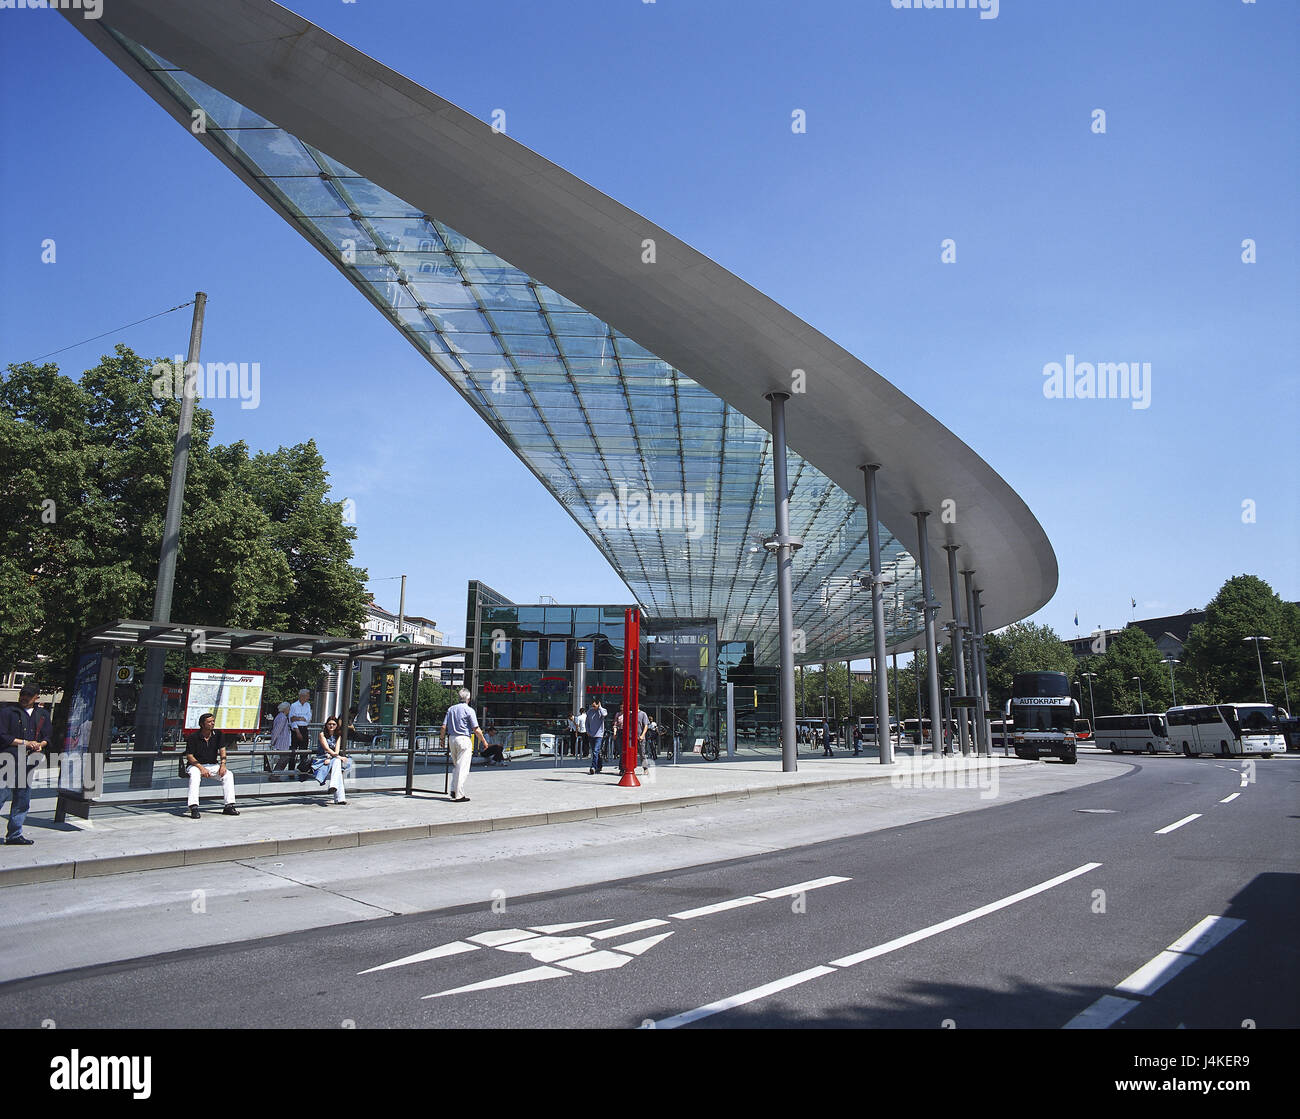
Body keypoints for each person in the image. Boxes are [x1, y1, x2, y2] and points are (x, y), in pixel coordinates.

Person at [0, 684, 50, 846]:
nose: (24, 698)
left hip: (28, 762)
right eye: (23, 694)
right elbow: (3, 736)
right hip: (9, 758)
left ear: (36, 697)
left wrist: (39, 745)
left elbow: (47, 736)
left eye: (29, 695)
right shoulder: (8, 712)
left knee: (22, 799)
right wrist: (26, 743)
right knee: (1, 795)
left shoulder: (42, 714)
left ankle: (14, 834)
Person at [184, 713, 239, 818]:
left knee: (228, 775)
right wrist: (201, 768)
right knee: (195, 776)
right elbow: (190, 756)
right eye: (209, 722)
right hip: (196, 765)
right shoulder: (193, 737)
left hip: (212, 764)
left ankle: (229, 805)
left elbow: (222, 750)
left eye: (213, 721)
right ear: (202, 724)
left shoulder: (218, 735)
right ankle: (193, 806)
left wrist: (223, 765)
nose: (212, 723)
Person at [440, 688, 487, 802]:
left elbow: (443, 727)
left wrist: (442, 739)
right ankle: (458, 794)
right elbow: (476, 729)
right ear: (468, 699)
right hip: (464, 739)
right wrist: (484, 741)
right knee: (463, 768)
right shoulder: (469, 710)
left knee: (457, 766)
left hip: (452, 739)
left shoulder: (451, 709)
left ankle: (453, 789)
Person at [312, 716, 350, 804]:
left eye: (333, 724)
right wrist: (339, 757)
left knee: (337, 765)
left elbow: (336, 751)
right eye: (329, 724)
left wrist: (335, 757)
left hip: (333, 758)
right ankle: (340, 798)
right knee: (338, 765)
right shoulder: (322, 734)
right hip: (322, 758)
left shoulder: (338, 736)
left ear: (337, 725)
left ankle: (333, 787)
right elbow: (327, 749)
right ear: (326, 725)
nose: (331, 726)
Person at [281, 687, 312, 777]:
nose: (308, 697)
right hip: (296, 730)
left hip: (304, 728)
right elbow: (292, 719)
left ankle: (303, 771)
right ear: (302, 696)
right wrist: (298, 729)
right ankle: (291, 772)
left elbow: (308, 718)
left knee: (304, 752)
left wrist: (299, 718)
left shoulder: (308, 705)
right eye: (307, 695)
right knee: (293, 752)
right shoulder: (294, 706)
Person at [268, 701, 292, 780]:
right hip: (282, 742)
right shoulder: (283, 717)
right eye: (288, 708)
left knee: (284, 759)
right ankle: (275, 775)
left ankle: (275, 775)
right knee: (284, 759)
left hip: (282, 742)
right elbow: (277, 730)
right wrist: (273, 741)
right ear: (285, 709)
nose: (289, 710)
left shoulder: (280, 716)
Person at [585, 697, 608, 775]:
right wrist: (587, 731)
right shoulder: (589, 711)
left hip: (599, 735)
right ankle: (599, 765)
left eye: (595, 706)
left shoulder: (602, 711)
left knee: (595, 751)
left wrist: (600, 707)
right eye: (592, 706)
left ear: (598, 704)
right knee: (596, 752)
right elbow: (587, 722)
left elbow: (605, 714)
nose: (593, 707)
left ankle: (593, 767)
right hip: (591, 734)